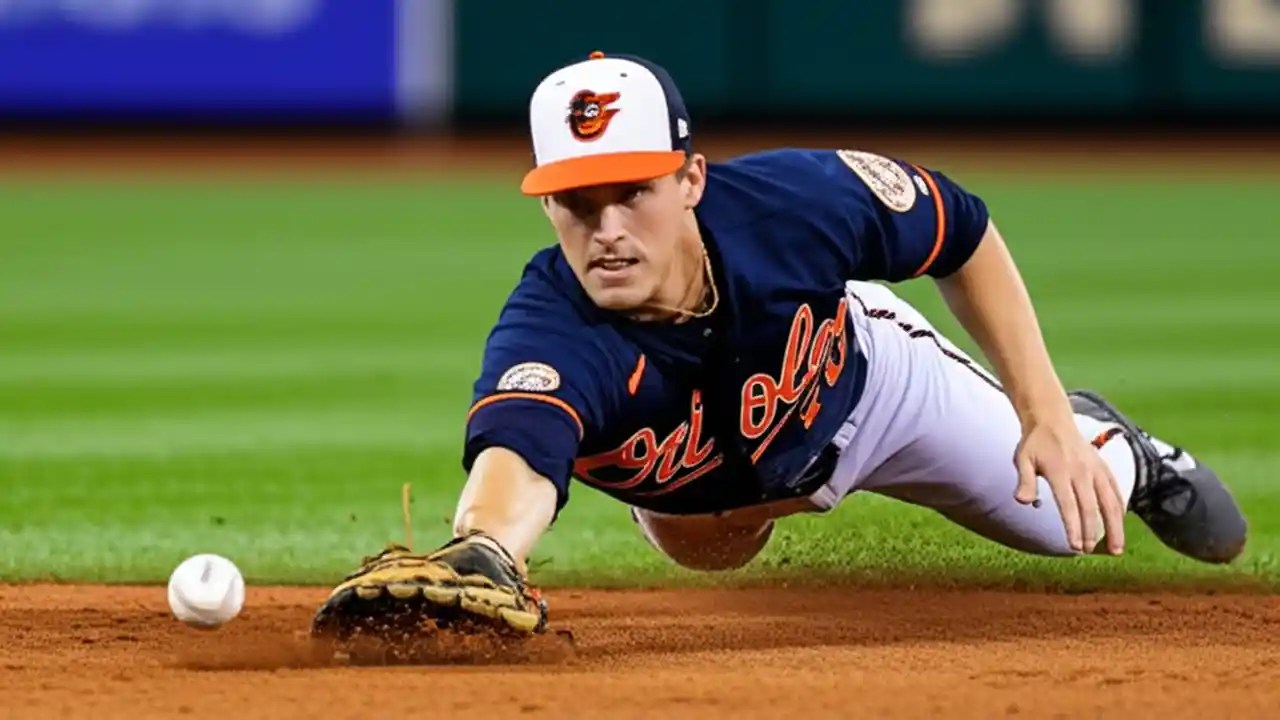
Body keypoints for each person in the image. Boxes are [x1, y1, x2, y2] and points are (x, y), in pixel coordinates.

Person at [310, 51, 1247, 639]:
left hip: (877, 399)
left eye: (632, 192)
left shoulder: (796, 207)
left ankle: (1129, 452)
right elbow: (518, 455)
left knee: (1060, 524)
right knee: (712, 553)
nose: (607, 229)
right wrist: (485, 547)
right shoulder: (553, 325)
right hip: (703, 510)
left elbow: (962, 230)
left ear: (690, 179)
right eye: (576, 203)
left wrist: (1042, 415)